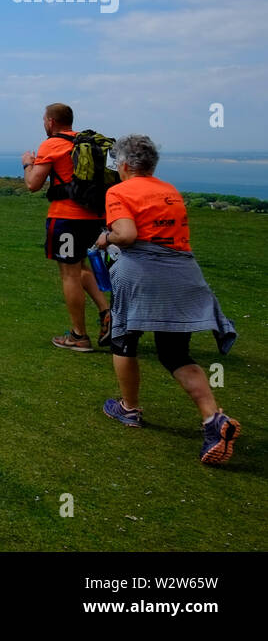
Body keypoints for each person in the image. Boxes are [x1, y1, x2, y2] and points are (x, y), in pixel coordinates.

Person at [96, 134, 239, 464]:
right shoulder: (169, 190)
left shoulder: (119, 191)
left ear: (126, 164)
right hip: (183, 274)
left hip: (141, 273)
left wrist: (107, 237)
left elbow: (128, 235)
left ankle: (129, 409)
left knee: (124, 340)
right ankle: (212, 419)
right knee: (175, 352)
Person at [21, 103, 112, 351]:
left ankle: (78, 336)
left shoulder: (51, 144)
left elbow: (33, 184)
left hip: (67, 219)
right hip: (95, 218)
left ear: (50, 121)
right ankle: (106, 313)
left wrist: (28, 163)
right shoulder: (85, 142)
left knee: (69, 274)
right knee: (81, 267)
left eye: (44, 119)